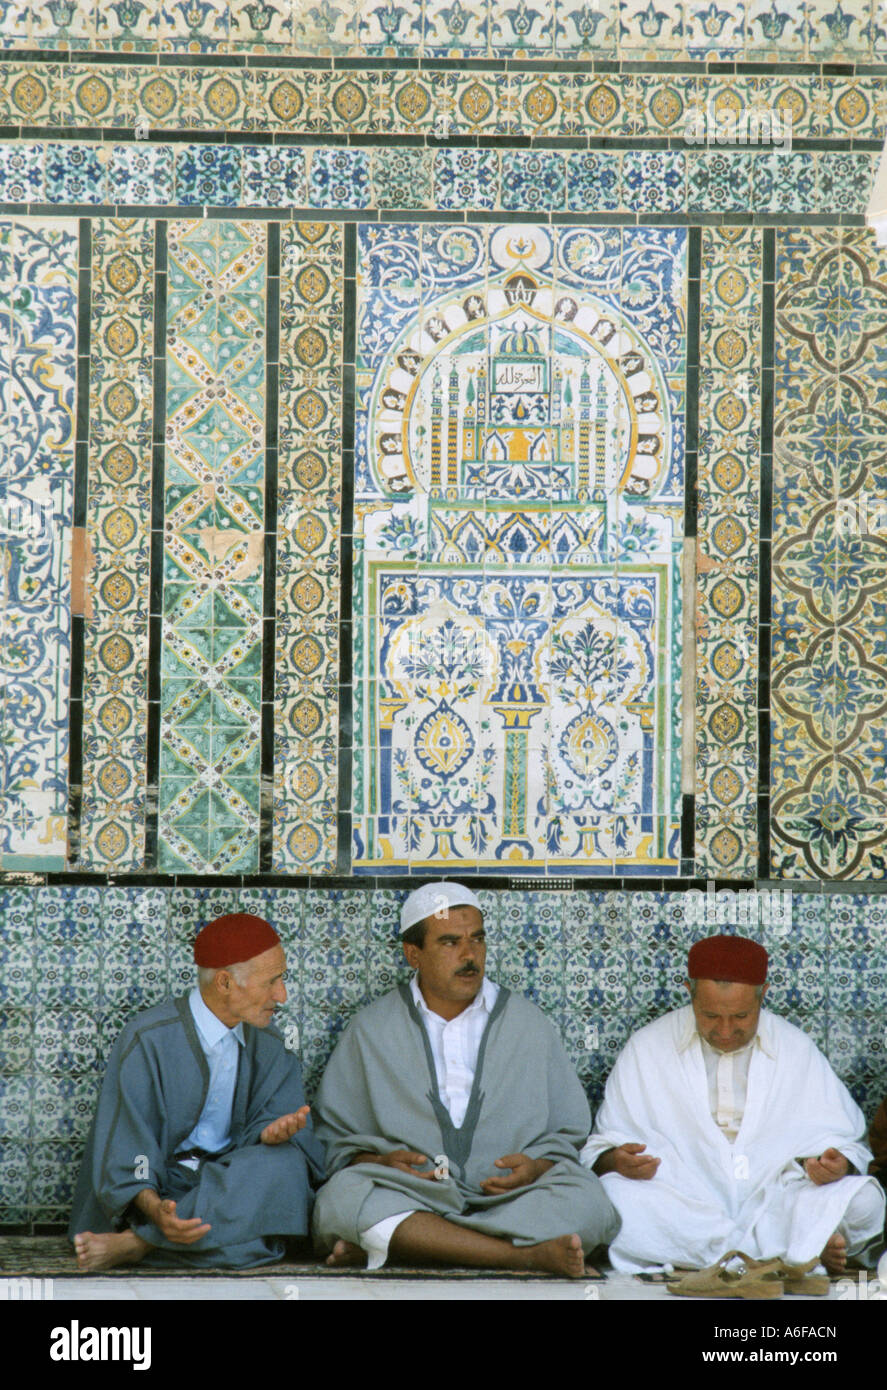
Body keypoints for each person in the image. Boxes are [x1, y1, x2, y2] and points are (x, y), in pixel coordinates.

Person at [311, 881, 619, 1278]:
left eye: (477, 939)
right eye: (449, 942)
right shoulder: (371, 1029)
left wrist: (537, 1168)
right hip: (413, 1192)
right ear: (413, 954)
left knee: (588, 1203)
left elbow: (565, 1131)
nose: (469, 955)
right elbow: (336, 1140)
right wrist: (380, 1160)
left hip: (513, 1195)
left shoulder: (527, 1023)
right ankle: (521, 1256)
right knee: (342, 1198)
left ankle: (404, 1244)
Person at [581, 933, 885, 1275]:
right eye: (710, 1016)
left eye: (741, 1017)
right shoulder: (647, 1047)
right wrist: (616, 1160)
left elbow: (847, 1144)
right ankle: (794, 1251)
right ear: (689, 992)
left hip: (774, 1198)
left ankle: (749, 1253)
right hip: (683, 1200)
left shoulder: (795, 1048)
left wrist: (836, 1164)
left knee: (866, 1202)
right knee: (610, 1195)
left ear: (763, 995)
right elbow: (602, 1147)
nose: (725, 1031)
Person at [69, 912, 324, 1270]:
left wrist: (269, 1133)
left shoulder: (271, 1043)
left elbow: (279, 1131)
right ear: (224, 983)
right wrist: (154, 1209)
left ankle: (137, 1244)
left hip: (232, 1184)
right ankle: (218, 1239)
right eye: (271, 982)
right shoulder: (148, 1038)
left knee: (285, 1164)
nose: (281, 995)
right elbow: (128, 1145)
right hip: (164, 1190)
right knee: (258, 1244)